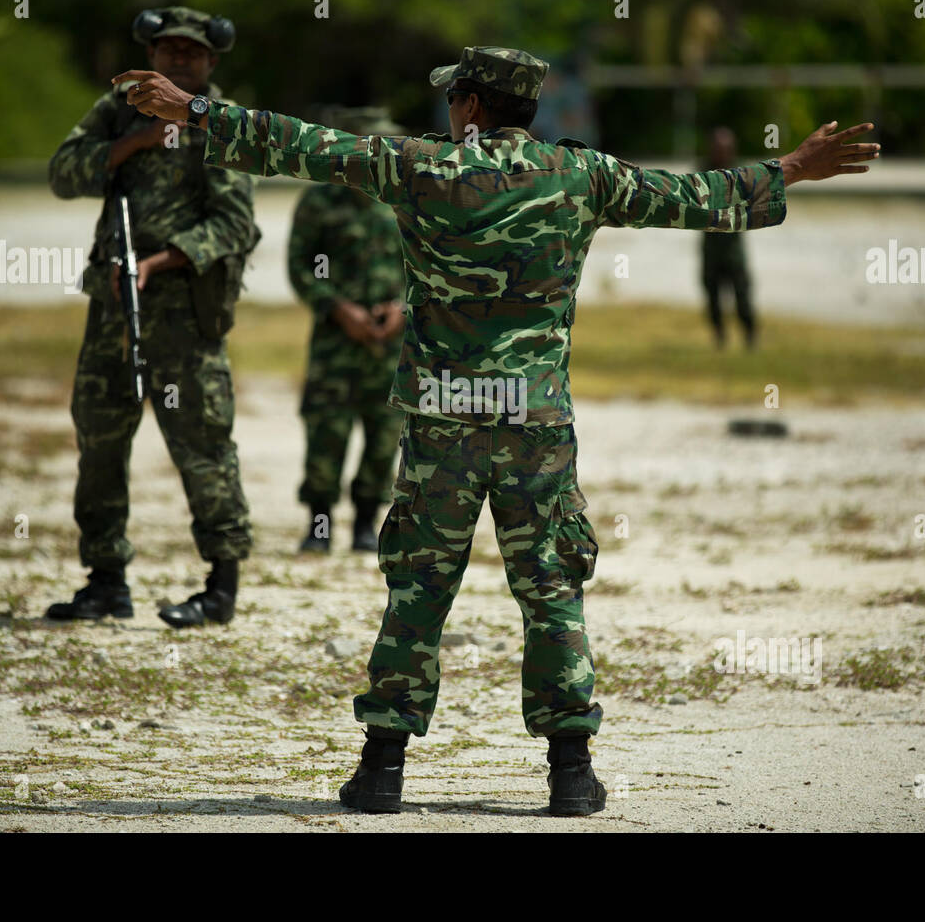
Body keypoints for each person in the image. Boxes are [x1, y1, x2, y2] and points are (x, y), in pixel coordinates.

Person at [113, 45, 878, 814]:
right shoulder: (582, 176)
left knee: (417, 589)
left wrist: (196, 110)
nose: (449, 111)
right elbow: (697, 198)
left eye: (455, 99)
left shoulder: (419, 168)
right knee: (551, 591)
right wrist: (790, 169)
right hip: (533, 423)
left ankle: (382, 770)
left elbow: (303, 144)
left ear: (473, 106)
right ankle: (570, 774)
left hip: (443, 420)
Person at [47, 7, 260, 630]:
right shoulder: (119, 107)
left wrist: (159, 262)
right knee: (100, 439)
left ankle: (221, 587)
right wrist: (131, 143)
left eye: (190, 54)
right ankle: (105, 581)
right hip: (112, 308)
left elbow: (234, 226)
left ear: (211, 62)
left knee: (203, 445)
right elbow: (62, 174)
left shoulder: (223, 125)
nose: (177, 60)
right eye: (167, 50)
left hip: (186, 315)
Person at [286, 108, 408, 554]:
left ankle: (364, 523)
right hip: (335, 342)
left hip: (390, 344)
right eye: (371, 144)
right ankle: (319, 523)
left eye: (387, 144)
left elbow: (430, 268)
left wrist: (403, 309)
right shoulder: (320, 202)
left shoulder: (407, 199)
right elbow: (300, 268)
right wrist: (337, 309)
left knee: (385, 435)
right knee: (326, 432)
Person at [700, 127, 756, 348]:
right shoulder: (703, 173)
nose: (720, 152)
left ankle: (750, 335)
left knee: (742, 295)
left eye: (725, 148)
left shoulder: (741, 174)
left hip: (733, 250)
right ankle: (719, 337)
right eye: (717, 148)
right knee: (712, 296)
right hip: (711, 249)